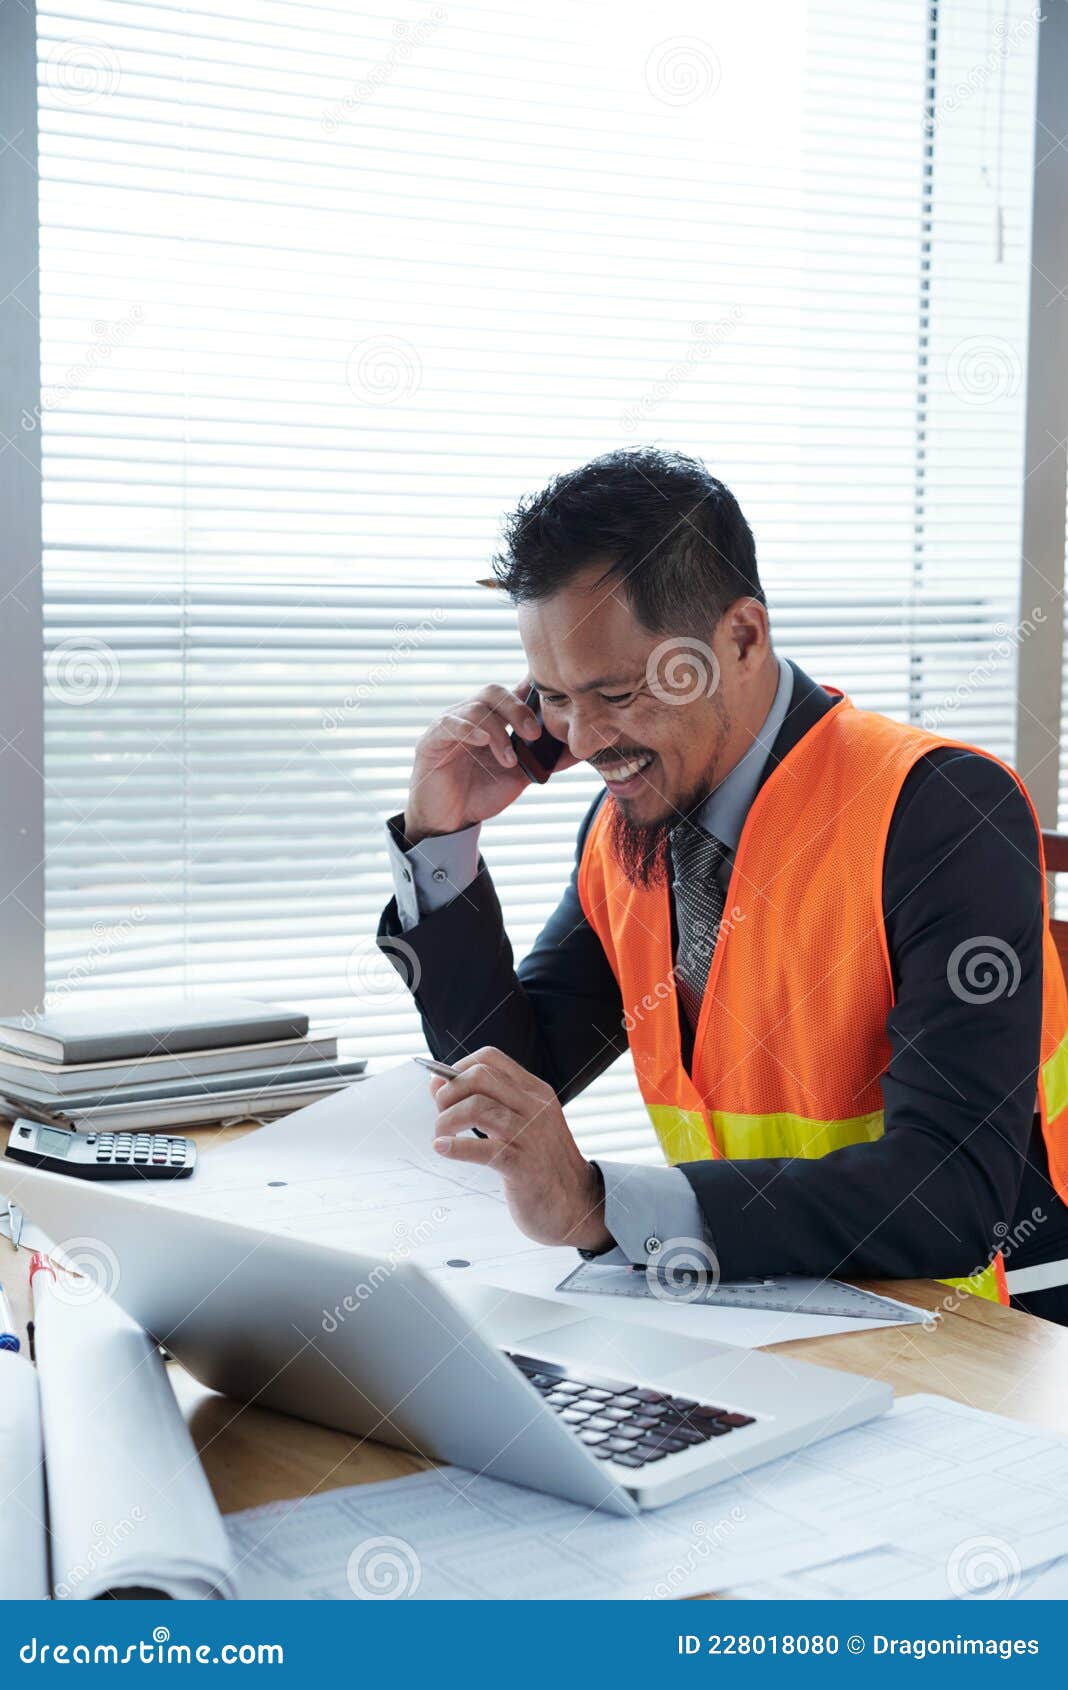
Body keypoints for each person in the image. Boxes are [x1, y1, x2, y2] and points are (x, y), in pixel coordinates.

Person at [377, 447, 1068, 1325]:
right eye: (553, 698)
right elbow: (513, 1083)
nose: (583, 741)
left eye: (618, 691)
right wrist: (443, 838)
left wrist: (601, 1206)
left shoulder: (939, 812)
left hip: (991, 1323)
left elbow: (957, 1194)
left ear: (741, 638)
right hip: (758, 1304)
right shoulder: (629, 829)